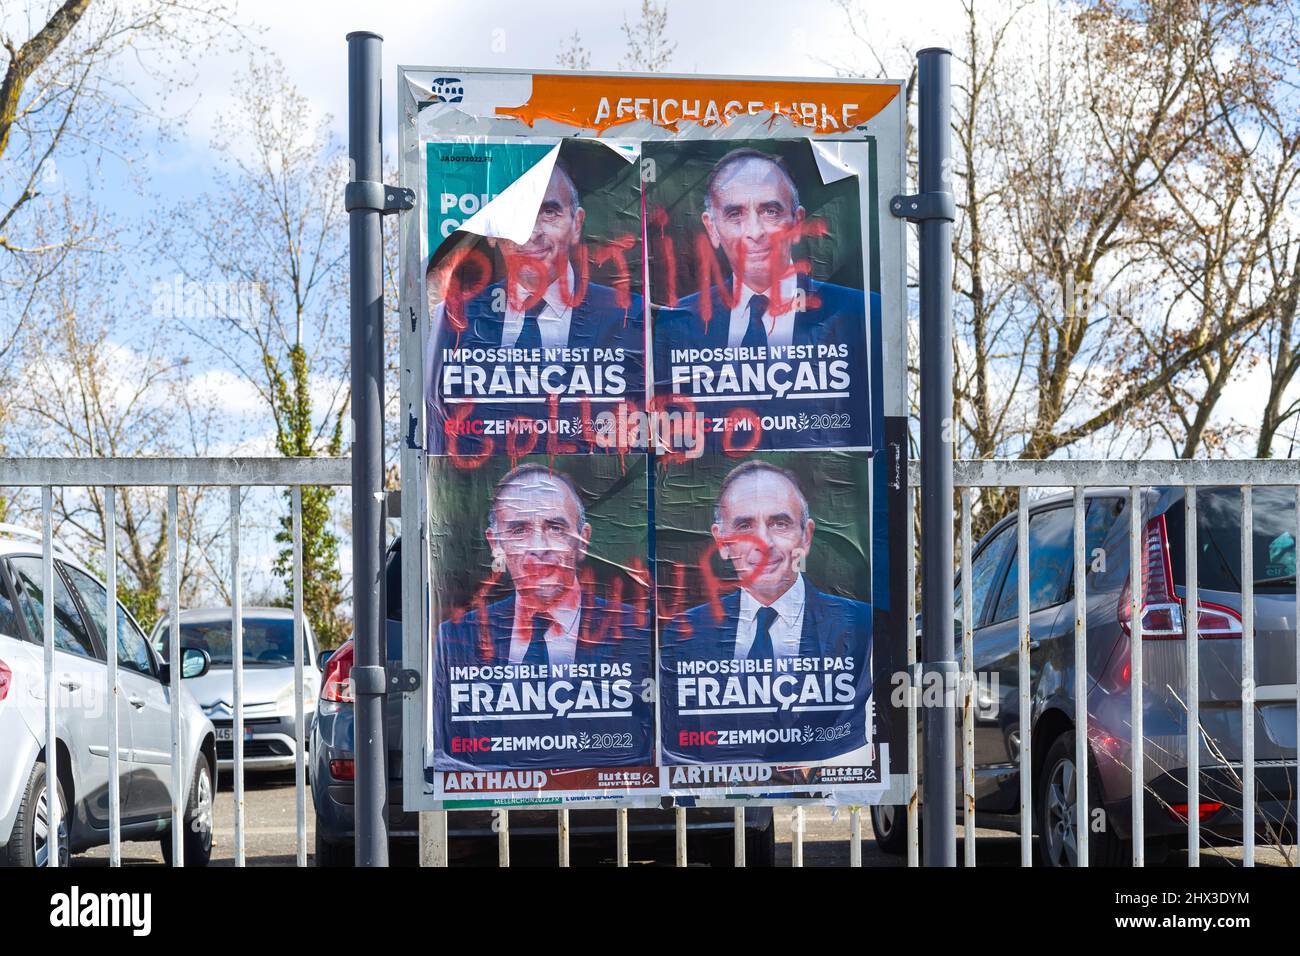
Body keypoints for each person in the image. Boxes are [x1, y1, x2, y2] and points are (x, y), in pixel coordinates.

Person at [425, 160, 643, 454]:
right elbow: (437, 437)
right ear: (491, 230)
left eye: (549, 212)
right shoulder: (452, 320)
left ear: (576, 224)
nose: (531, 232)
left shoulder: (631, 318)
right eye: (517, 215)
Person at [438, 463, 646, 668]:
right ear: (496, 544)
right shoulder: (455, 637)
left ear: (583, 541)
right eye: (519, 530)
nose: (539, 548)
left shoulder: (640, 631)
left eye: (555, 528)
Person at [662, 460, 870, 662]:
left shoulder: (864, 626)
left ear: (806, 536)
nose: (763, 542)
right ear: (722, 543)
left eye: (780, 524)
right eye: (744, 526)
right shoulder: (683, 635)